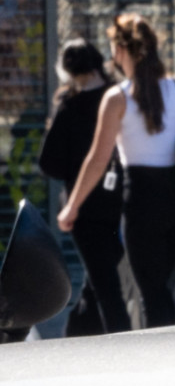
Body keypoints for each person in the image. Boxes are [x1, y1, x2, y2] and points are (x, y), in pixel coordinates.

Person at [59, 14, 175, 328]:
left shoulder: (117, 98)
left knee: (152, 291)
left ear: (120, 51)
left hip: (143, 204)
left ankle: (161, 365)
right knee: (158, 286)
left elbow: (97, 159)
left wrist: (72, 206)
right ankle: (168, 359)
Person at [39, 39, 130, 335]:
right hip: (123, 201)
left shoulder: (69, 107)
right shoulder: (121, 96)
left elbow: (49, 164)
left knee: (103, 285)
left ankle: (124, 346)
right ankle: (75, 340)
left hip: (84, 209)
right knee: (101, 279)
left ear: (67, 71)